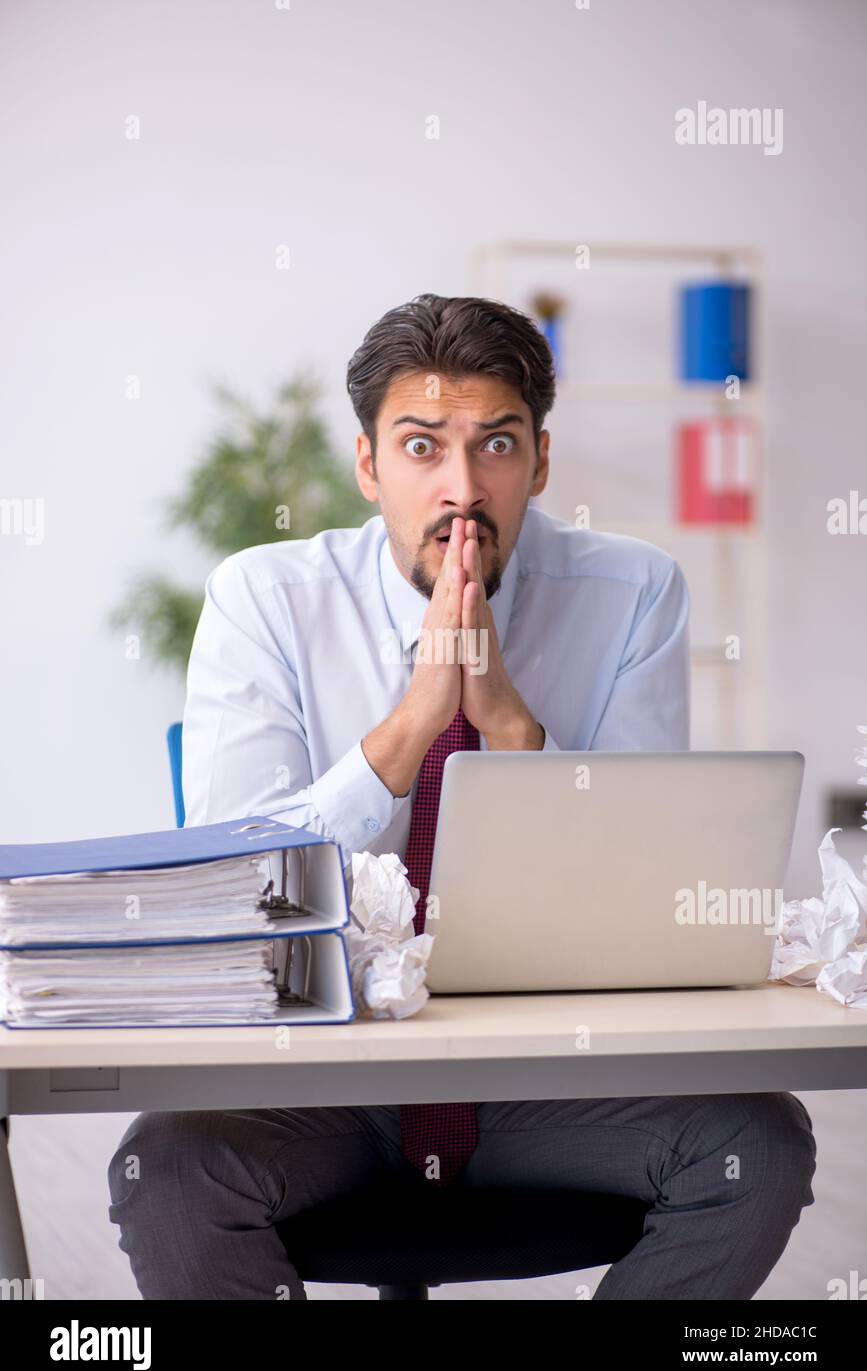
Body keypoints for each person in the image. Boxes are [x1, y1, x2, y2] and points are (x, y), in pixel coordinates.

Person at [108, 292, 816, 1299]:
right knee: (169, 1173)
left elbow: (649, 895)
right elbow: (235, 878)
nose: (461, 485)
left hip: (546, 1081)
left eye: (495, 444)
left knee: (761, 1146)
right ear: (368, 466)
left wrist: (514, 730)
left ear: (540, 462)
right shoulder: (264, 599)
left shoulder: (633, 594)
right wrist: (407, 730)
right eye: (421, 446)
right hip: (323, 1085)